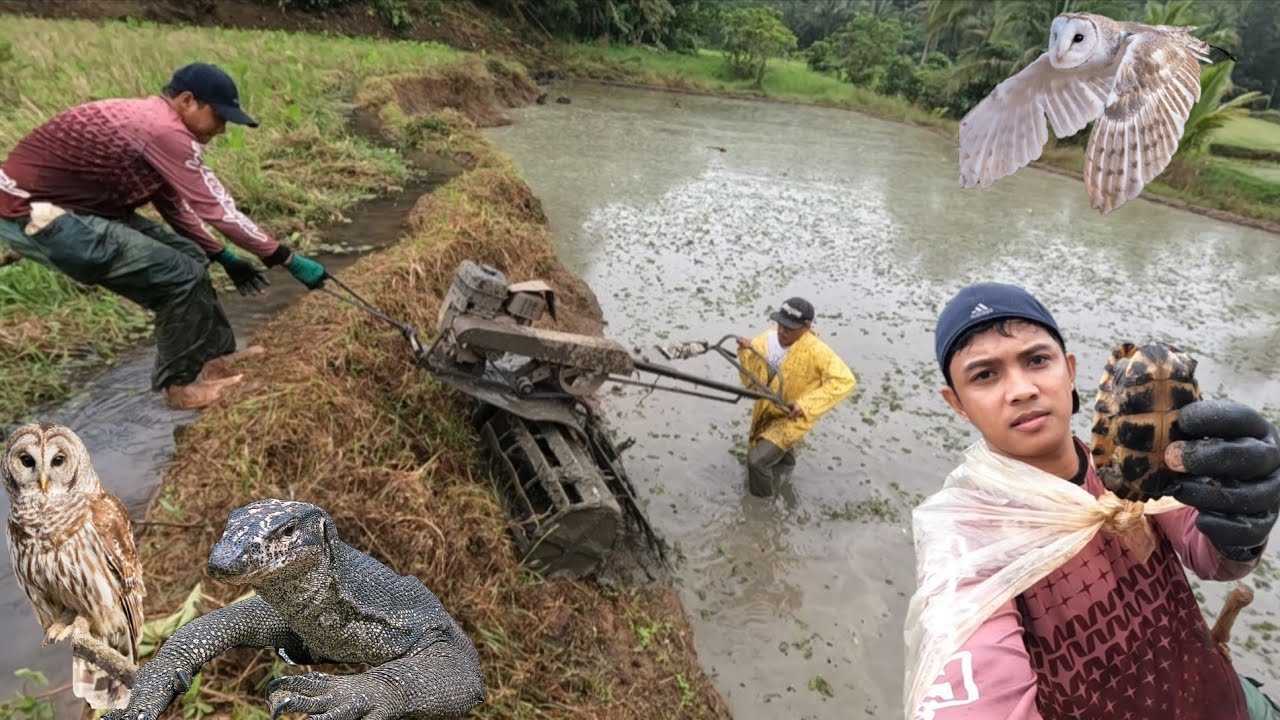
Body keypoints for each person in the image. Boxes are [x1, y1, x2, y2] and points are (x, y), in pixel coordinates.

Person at [913, 282, 1280, 720]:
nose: (1021, 389)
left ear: (1069, 370)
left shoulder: (1131, 461)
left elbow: (1214, 559)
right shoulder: (968, 533)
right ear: (957, 404)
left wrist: (1243, 514)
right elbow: (974, 684)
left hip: (1216, 699)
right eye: (984, 375)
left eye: (1036, 360)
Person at [0, 62, 328, 409]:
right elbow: (217, 209)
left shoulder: (152, 125)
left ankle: (215, 359)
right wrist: (284, 257)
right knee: (178, 276)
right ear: (187, 101)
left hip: (73, 207)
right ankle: (180, 388)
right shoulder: (164, 131)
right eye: (218, 116)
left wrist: (219, 254)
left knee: (193, 257)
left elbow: (174, 205)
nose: (221, 129)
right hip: (38, 216)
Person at [735, 296, 856, 497]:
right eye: (780, 324)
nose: (782, 332)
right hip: (767, 409)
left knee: (756, 461)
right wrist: (746, 353)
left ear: (806, 327)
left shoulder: (817, 351)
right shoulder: (764, 340)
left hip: (792, 416)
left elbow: (845, 380)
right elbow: (750, 381)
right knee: (777, 456)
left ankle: (761, 511)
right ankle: (787, 475)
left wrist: (806, 405)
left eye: (789, 328)